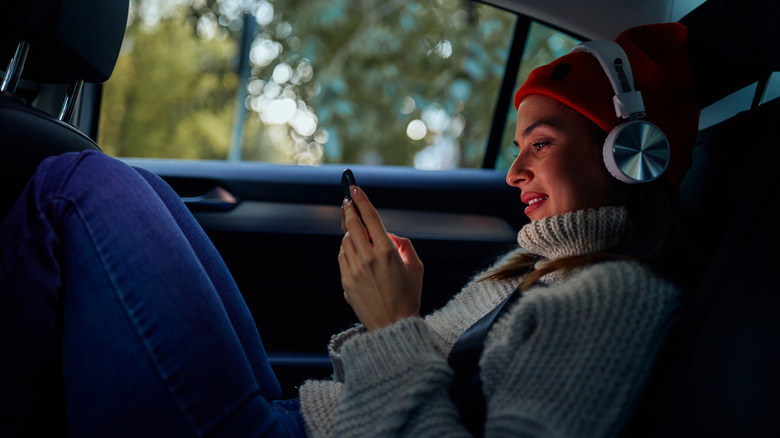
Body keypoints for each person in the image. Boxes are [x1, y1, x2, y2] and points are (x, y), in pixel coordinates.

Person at [0, 22, 699, 437]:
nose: (514, 173)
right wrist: (395, 323)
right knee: (142, 187)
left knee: (79, 186)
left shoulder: (612, 297)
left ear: (629, 154)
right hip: (305, 418)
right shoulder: (534, 264)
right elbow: (430, 383)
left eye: (539, 144)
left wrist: (393, 326)